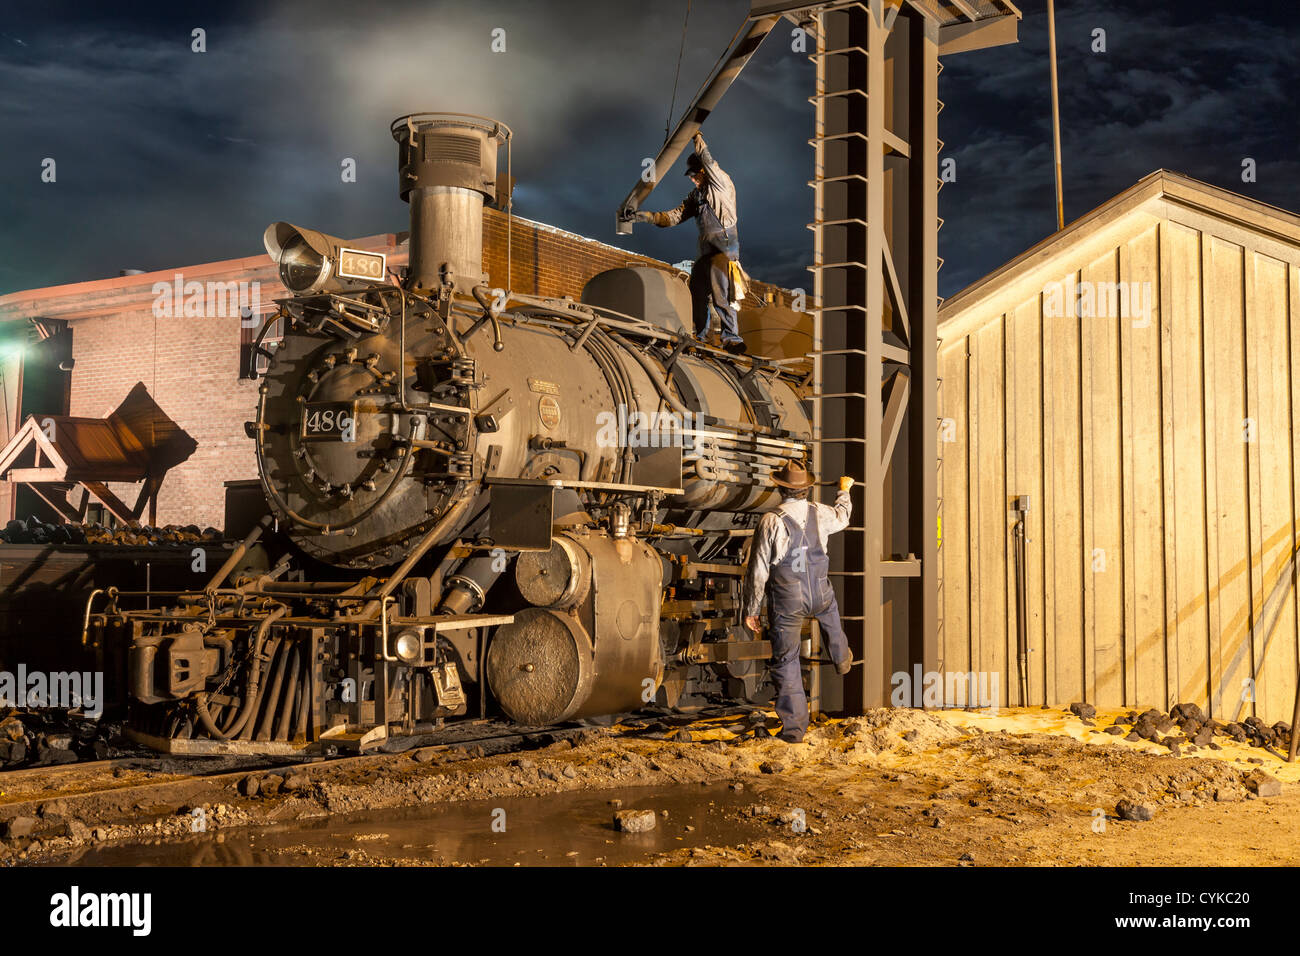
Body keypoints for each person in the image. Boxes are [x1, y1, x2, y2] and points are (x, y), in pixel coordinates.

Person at [742, 460, 855, 743]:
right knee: (830, 611)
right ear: (806, 489)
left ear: (781, 488)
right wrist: (844, 491)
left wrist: (751, 609)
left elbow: (758, 570)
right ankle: (842, 658)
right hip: (820, 591)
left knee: (787, 660)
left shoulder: (771, 520)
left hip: (788, 601)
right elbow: (844, 517)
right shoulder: (821, 513)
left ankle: (794, 731)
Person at [633, 132, 747, 354]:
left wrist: (696, 138)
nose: (693, 180)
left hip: (724, 246)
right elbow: (675, 216)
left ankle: (731, 338)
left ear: (704, 172)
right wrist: (645, 216)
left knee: (721, 292)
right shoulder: (697, 195)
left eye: (695, 176)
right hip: (705, 249)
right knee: (697, 289)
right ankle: (701, 336)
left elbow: (708, 160)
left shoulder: (720, 183)